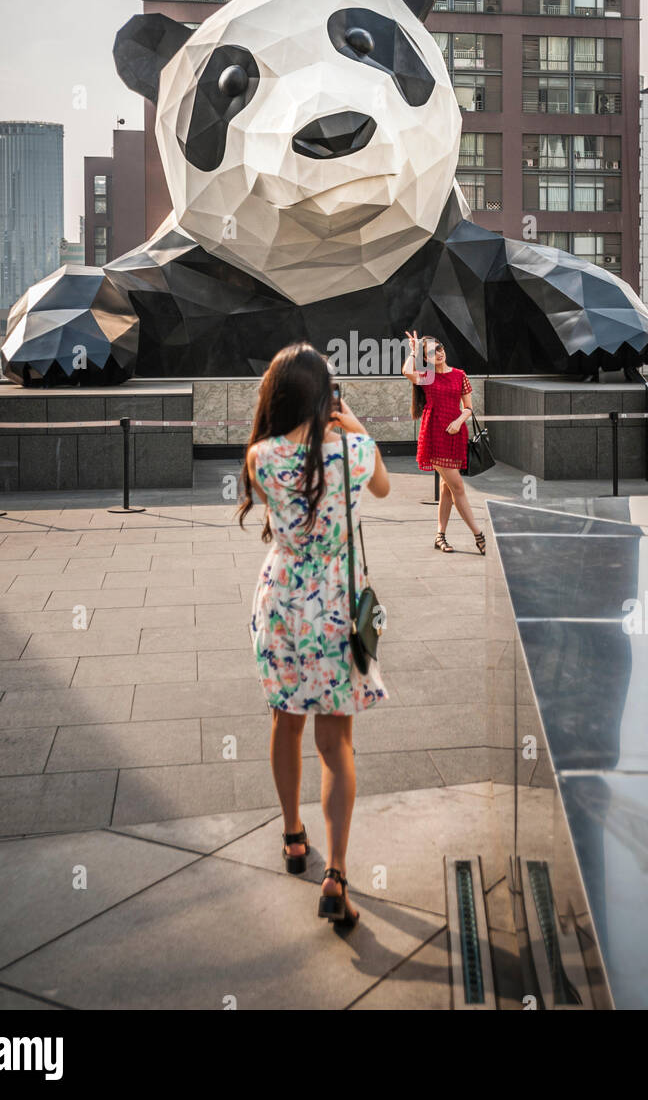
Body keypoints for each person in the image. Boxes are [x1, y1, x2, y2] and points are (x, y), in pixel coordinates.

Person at [239, 343, 390, 929]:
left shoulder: (260, 456)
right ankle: (338, 874)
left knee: (285, 719)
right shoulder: (354, 452)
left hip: (281, 606)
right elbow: (382, 487)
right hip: (335, 609)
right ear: (325, 397)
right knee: (337, 744)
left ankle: (294, 836)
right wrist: (347, 419)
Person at [402, 330, 485, 555]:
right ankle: (479, 534)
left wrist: (459, 421)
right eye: (431, 352)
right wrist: (413, 351)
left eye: (439, 349)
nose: (438, 354)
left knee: (447, 488)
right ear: (425, 359)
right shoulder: (427, 376)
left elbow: (468, 408)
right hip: (434, 435)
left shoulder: (460, 374)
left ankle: (440, 536)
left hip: (456, 434)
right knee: (457, 486)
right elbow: (406, 371)